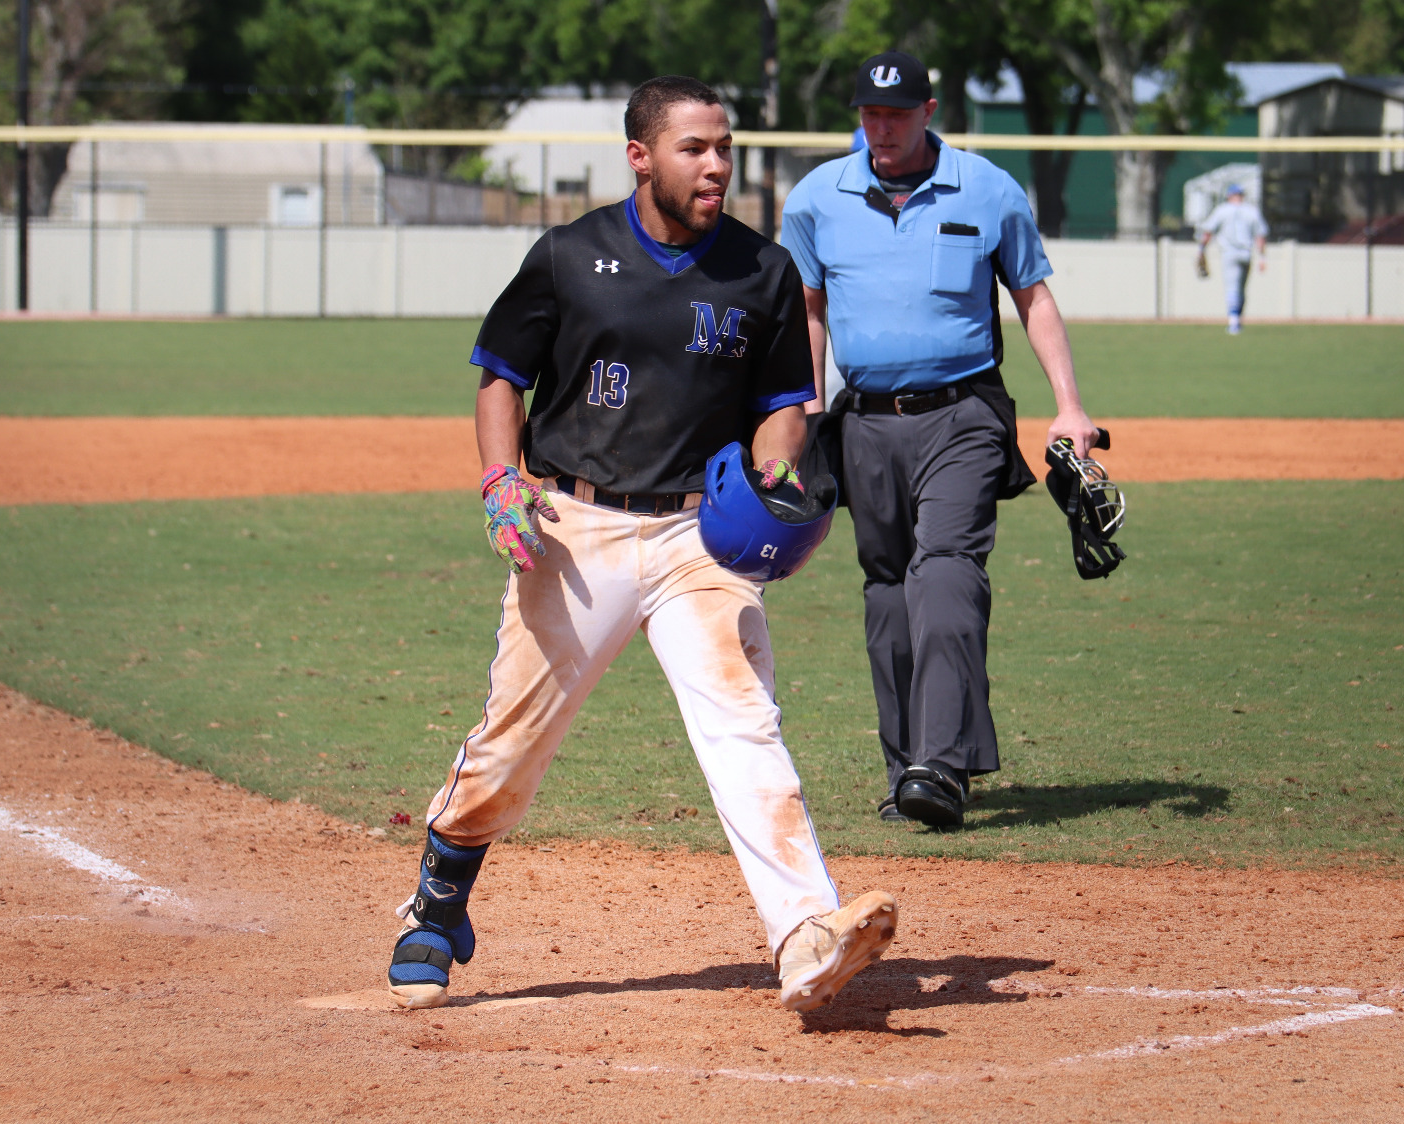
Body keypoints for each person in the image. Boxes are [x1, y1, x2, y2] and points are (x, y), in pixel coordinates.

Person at [383, 75, 897, 1015]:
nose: (715, 165)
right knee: (512, 742)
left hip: (701, 533)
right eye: (694, 148)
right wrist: (502, 480)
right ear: (640, 157)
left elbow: (785, 406)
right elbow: (501, 375)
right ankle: (438, 902)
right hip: (575, 528)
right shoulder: (570, 257)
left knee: (743, 723)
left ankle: (806, 935)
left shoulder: (762, 270)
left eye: (724, 147)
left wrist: (777, 474)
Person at [782, 51, 1099, 830]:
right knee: (887, 589)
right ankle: (907, 774)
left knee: (946, 568)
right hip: (863, 420)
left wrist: (1069, 407)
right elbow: (809, 312)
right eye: (869, 114)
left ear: (928, 111)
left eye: (896, 113)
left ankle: (941, 765)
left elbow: (1033, 295)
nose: (881, 128)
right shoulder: (818, 198)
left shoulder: (986, 187)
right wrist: (804, 415)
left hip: (964, 412)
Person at [1196, 183, 1268, 334]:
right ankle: (1237, 319)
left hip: (1229, 254)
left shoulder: (1222, 211)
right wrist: (1262, 258)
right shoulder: (1251, 211)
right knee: (1241, 288)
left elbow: (1208, 232)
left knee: (1232, 287)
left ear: (1229, 196)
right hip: (1246, 253)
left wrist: (1201, 249)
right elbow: (1260, 237)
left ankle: (1234, 322)